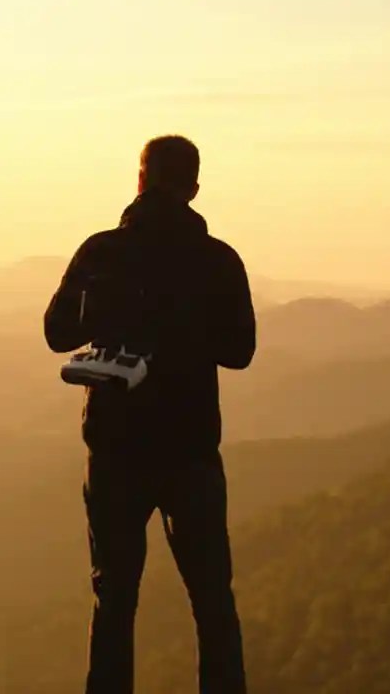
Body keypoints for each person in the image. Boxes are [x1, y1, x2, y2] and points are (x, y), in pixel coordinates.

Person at [43, 135, 256, 694]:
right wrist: (185, 331)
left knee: (113, 599)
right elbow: (240, 352)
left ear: (140, 181)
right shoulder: (218, 260)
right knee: (212, 600)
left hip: (115, 449)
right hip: (190, 450)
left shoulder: (101, 252)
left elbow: (56, 332)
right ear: (193, 188)